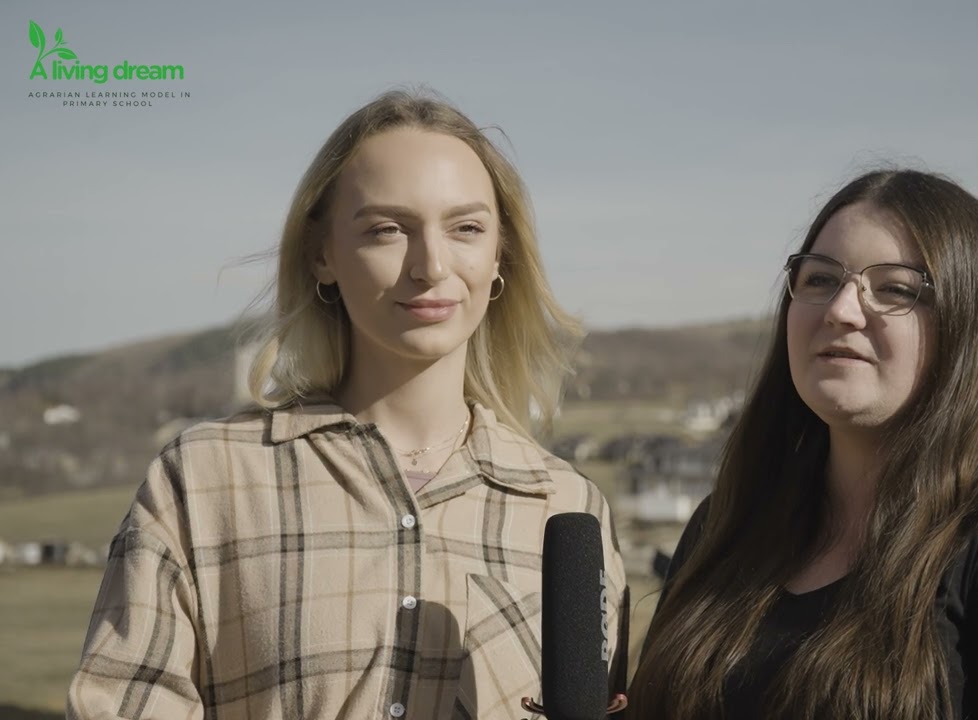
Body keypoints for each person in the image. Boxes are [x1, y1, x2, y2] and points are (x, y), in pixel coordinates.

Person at [67, 89, 629, 720]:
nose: (432, 265)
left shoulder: (570, 507)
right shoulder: (204, 483)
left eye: (466, 228)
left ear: (501, 253)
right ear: (322, 254)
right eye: (387, 230)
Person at [628, 169, 978, 720]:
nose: (841, 310)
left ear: (965, 323)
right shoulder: (725, 522)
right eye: (820, 279)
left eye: (894, 288)